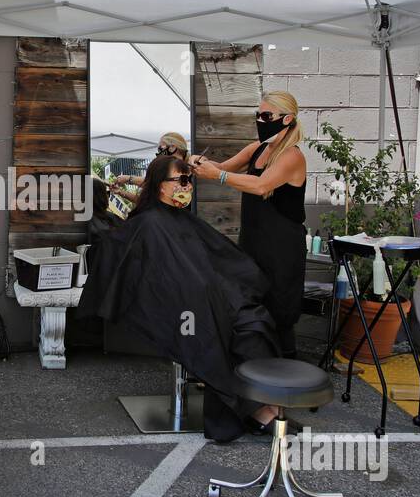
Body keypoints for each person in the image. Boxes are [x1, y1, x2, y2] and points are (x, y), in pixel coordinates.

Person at [77, 153, 290, 442]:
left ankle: (262, 405)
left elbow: (209, 262)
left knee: (255, 322)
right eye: (181, 180)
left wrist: (225, 288)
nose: (187, 186)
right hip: (180, 308)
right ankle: (255, 410)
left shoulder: (179, 219)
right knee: (223, 328)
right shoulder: (148, 224)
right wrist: (203, 292)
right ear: (160, 186)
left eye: (189, 180)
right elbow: (158, 276)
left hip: (204, 296)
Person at [191, 91, 307, 359]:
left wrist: (218, 175)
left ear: (287, 119)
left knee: (279, 310)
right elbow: (223, 166)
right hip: (254, 240)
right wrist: (199, 162)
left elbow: (261, 185)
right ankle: (254, 369)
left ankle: (283, 380)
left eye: (266, 115)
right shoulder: (258, 148)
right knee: (253, 302)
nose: (260, 120)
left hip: (281, 247)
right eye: (258, 115)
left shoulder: (292, 156)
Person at [109, 131, 188, 193]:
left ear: (173, 147)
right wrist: (121, 192)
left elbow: (154, 184)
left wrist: (129, 179)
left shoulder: (185, 169)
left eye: (161, 149)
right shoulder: (174, 167)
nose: (159, 153)